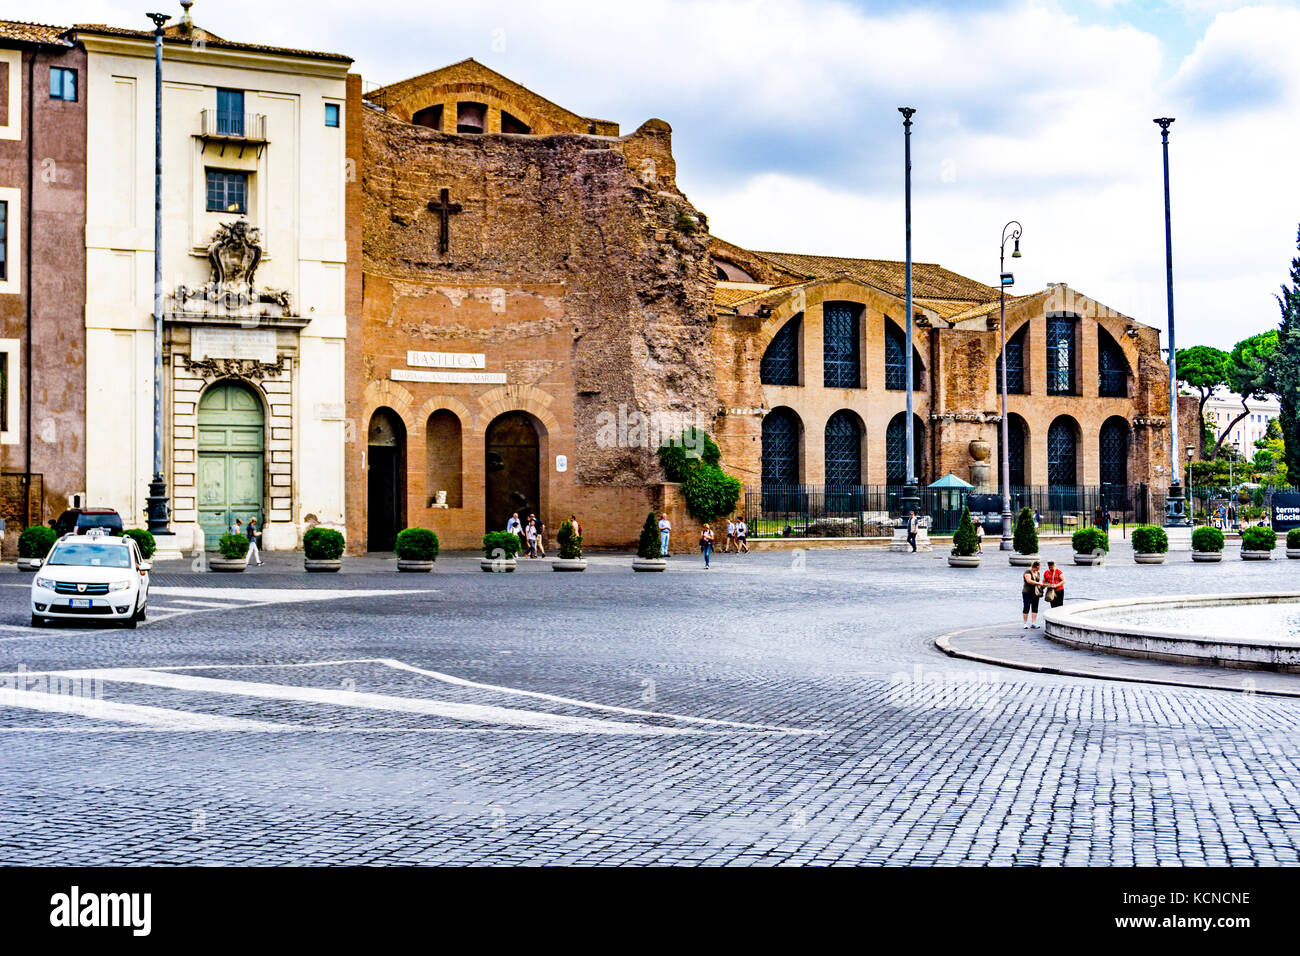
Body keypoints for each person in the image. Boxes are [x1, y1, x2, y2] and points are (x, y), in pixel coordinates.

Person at [1022, 560, 1044, 629]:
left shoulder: (1038, 573)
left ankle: (1033, 623)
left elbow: (1039, 581)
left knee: (1035, 607)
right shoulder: (1028, 571)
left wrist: (1043, 585)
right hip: (1027, 592)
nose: (1038, 569)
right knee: (1027, 606)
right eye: (1038, 568)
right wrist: (1039, 583)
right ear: (1034, 567)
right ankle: (1025, 623)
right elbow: (1029, 581)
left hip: (1035, 592)